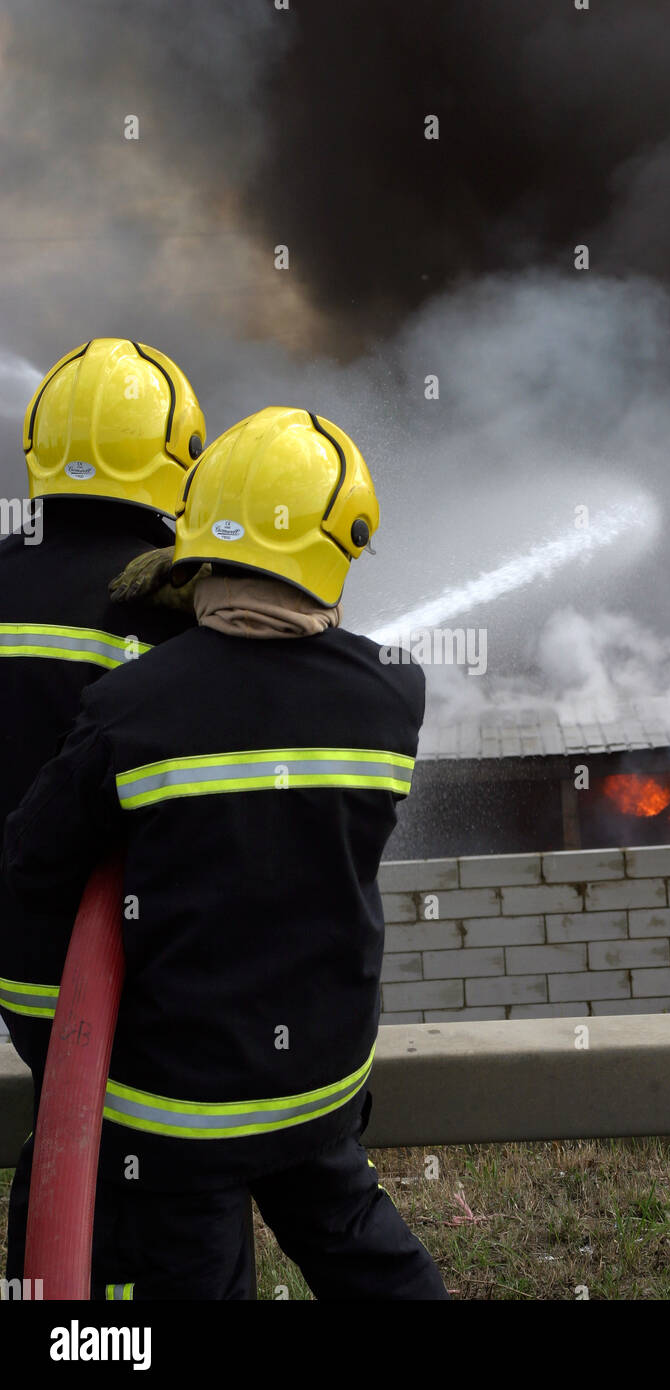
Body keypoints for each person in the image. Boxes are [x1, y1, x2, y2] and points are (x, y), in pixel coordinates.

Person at [3, 406, 450, 1300]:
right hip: (318, 1089)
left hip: (176, 1116)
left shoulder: (131, 709)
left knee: (188, 1279)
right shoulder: (392, 696)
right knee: (366, 1256)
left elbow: (32, 862)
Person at [0, 339, 262, 1296]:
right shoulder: (172, 609)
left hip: (23, 974)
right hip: (143, 970)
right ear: (180, 455)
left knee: (69, 1149)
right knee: (165, 1193)